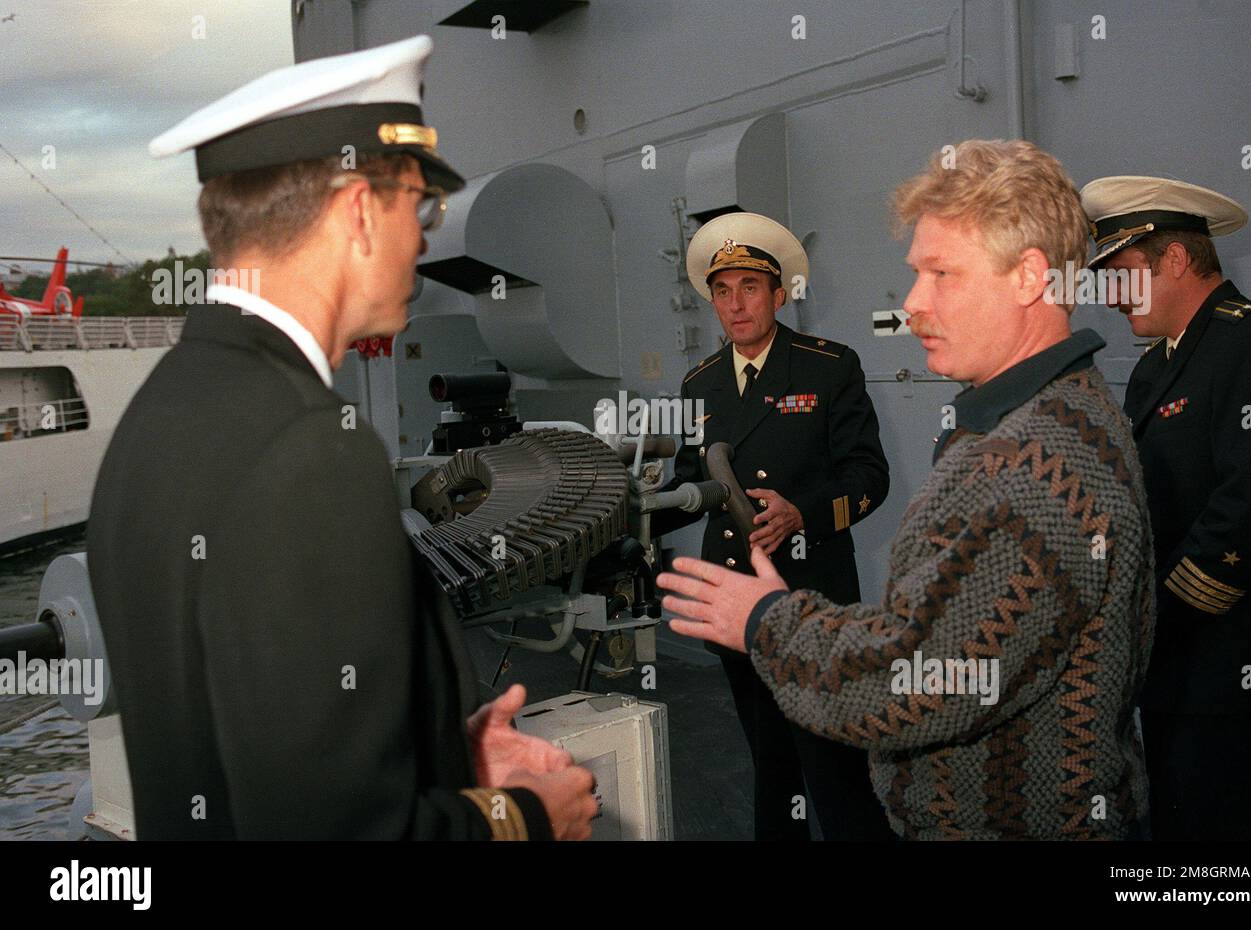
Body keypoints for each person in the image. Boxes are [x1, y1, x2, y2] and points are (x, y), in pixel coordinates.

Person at [87, 35, 597, 840]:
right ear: (360, 210)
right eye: (419, 207)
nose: (425, 237)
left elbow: (265, 750)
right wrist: (525, 817)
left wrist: (444, 761)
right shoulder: (309, 448)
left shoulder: (160, 413)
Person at [658, 140, 1155, 839]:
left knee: (831, 778)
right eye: (915, 274)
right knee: (772, 765)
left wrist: (765, 617)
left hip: (1008, 816)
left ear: (1028, 276)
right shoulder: (1053, 413)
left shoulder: (1027, 462)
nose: (914, 303)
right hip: (1013, 794)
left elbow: (919, 682)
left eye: (941, 273)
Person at [652, 212, 892, 840]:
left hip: (810, 601)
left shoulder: (827, 367)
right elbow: (692, 478)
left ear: (779, 296)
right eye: (723, 291)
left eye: (750, 288)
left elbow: (870, 476)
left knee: (835, 769)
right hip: (736, 600)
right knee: (770, 764)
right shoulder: (698, 384)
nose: (736, 305)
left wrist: (802, 512)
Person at [1082, 175, 1251, 840]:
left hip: (1237, 663)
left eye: (1122, 275)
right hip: (1177, 664)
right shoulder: (1155, 368)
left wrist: (1153, 615)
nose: (1111, 297)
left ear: (1174, 260)